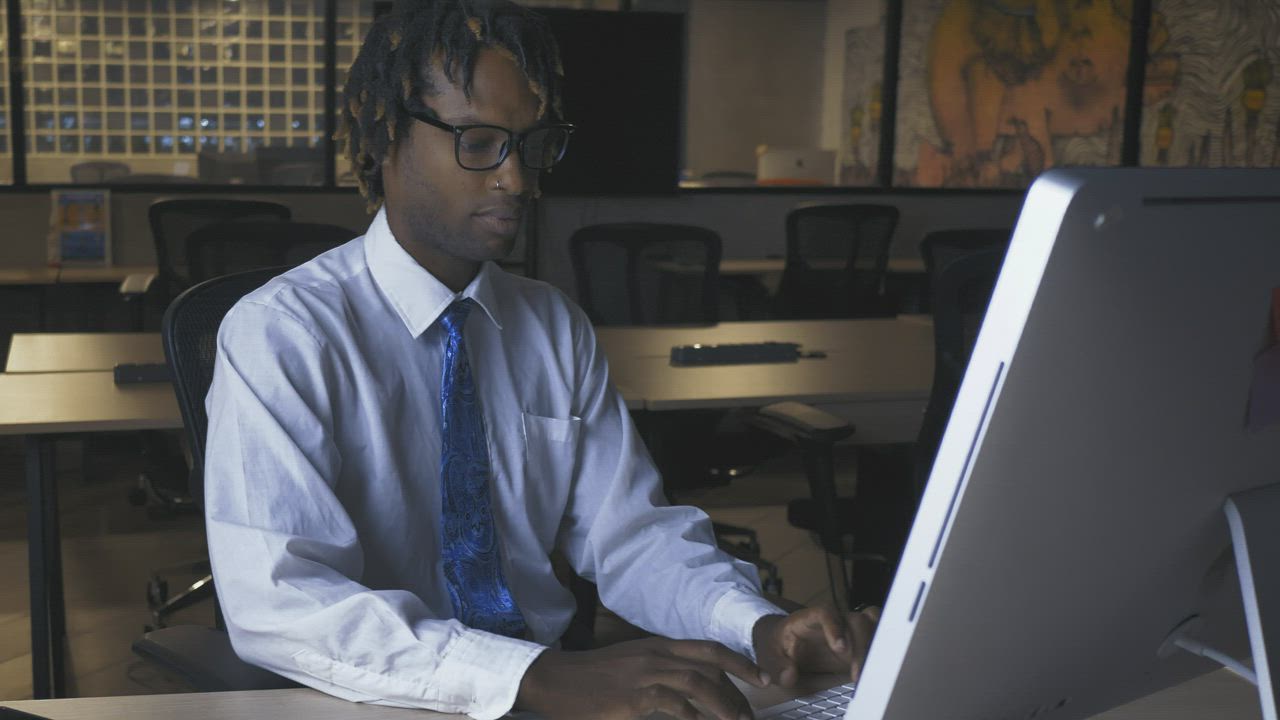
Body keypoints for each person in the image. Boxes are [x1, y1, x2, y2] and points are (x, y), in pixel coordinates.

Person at [203, 1, 878, 718]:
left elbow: (631, 536)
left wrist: (756, 625)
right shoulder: (283, 335)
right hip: (375, 698)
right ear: (384, 137)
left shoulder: (554, 326)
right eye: (480, 141)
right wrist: (536, 677)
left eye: (530, 144)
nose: (517, 180)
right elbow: (283, 601)